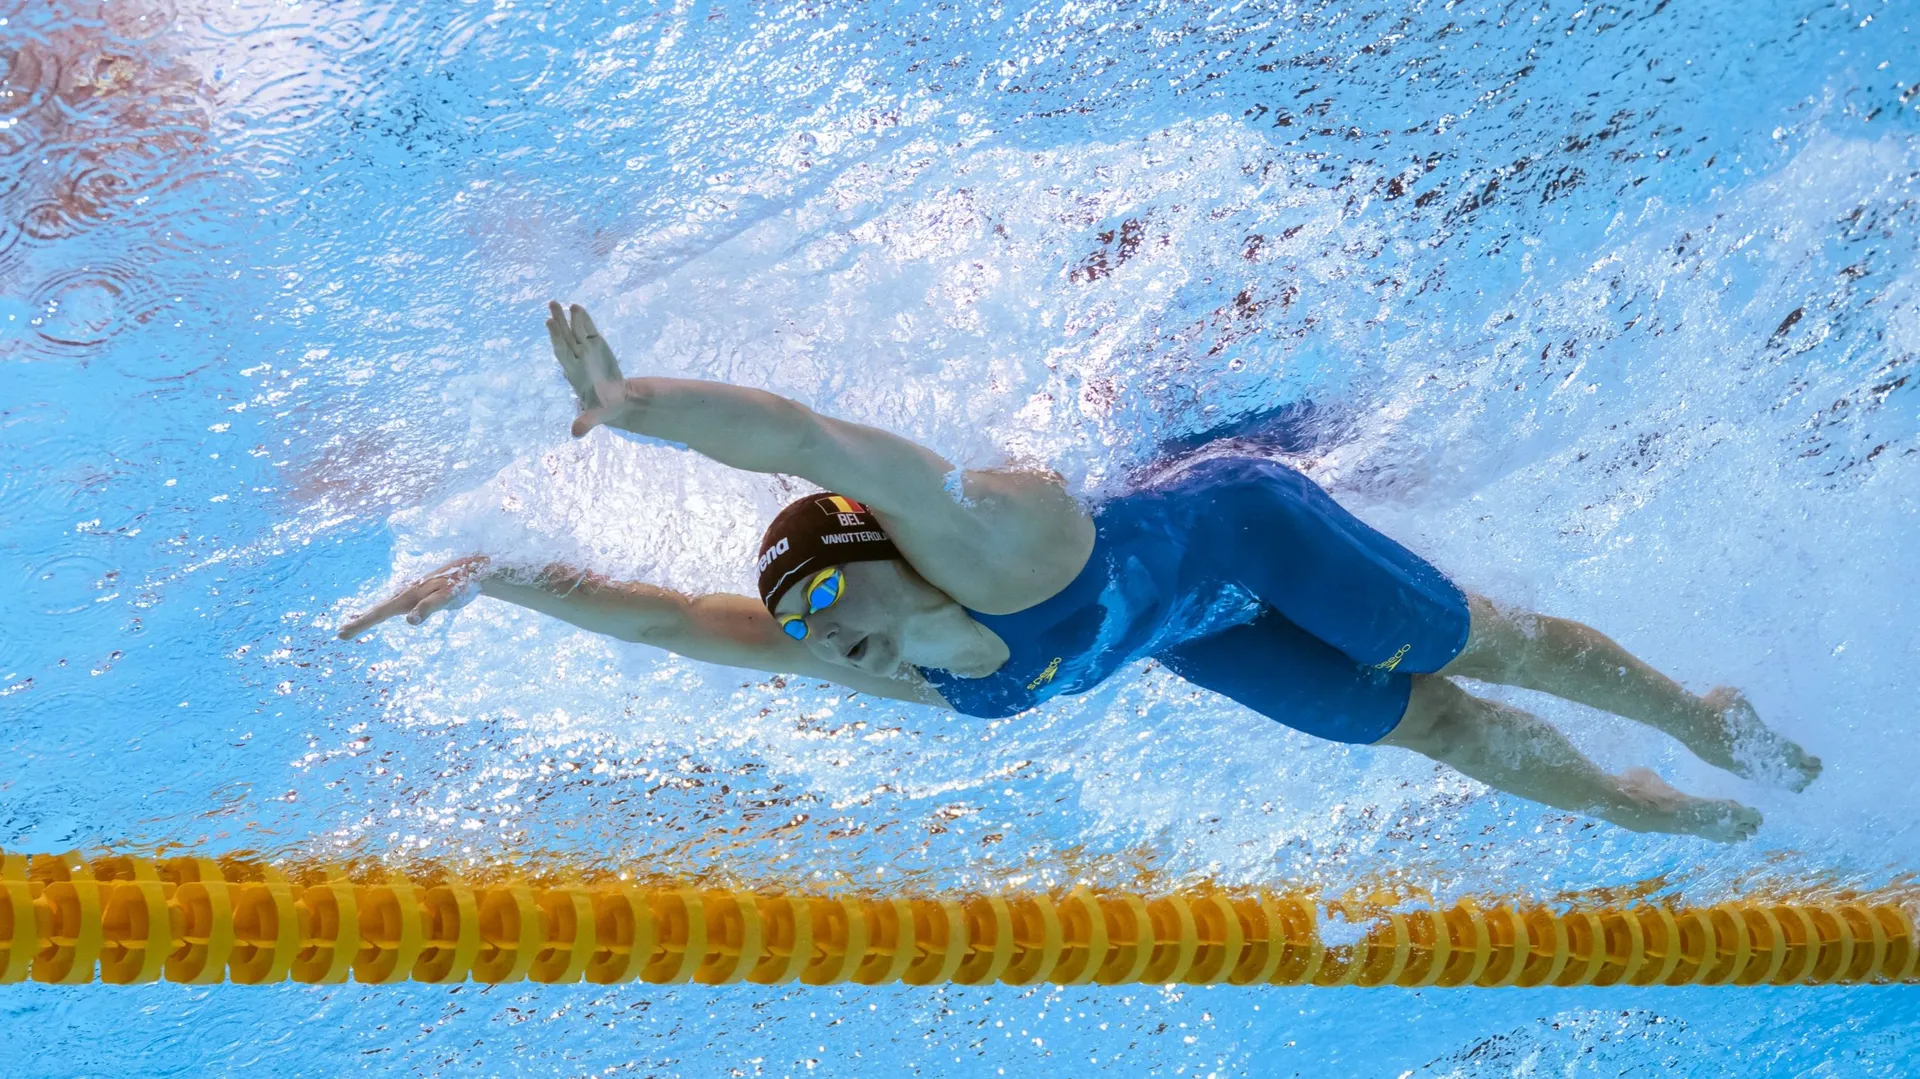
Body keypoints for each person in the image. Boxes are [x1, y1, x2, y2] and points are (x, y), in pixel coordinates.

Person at [339, 302, 1823, 843]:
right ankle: (1649, 803)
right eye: (809, 637)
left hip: (1242, 531)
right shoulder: (884, 654)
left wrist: (640, 407)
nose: (821, 651)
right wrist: (494, 576)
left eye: (830, 612)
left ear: (885, 555)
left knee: (1474, 650)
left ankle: (1697, 712)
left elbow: (798, 433)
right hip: (1186, 630)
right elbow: (665, 620)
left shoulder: (989, 536)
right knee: (1426, 730)